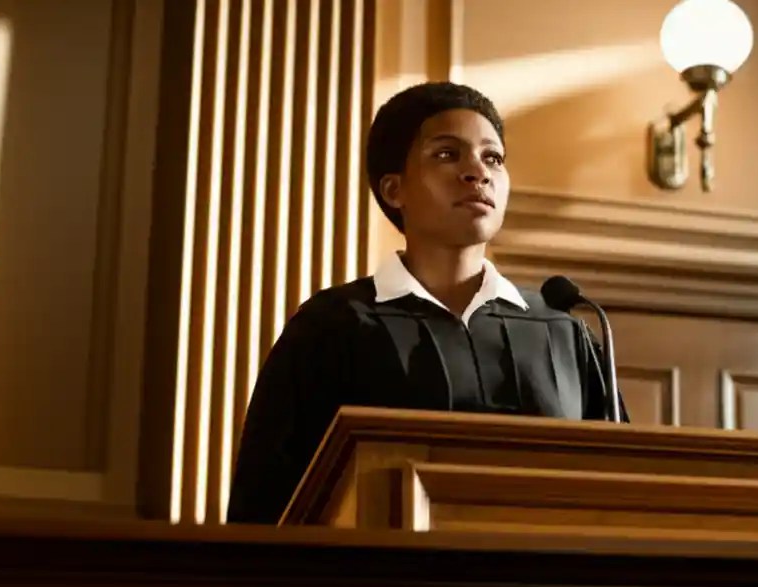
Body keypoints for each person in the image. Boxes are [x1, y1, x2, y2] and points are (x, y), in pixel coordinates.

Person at [227, 82, 624, 524]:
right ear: (394, 190)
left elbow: (624, 498)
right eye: (447, 154)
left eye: (492, 157)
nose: (478, 171)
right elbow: (265, 508)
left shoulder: (563, 331)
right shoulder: (332, 327)